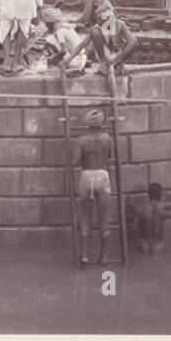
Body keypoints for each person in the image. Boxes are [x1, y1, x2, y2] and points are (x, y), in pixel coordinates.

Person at [72, 109, 114, 266]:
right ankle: (104, 256)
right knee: (104, 218)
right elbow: (110, 156)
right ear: (101, 123)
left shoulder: (82, 140)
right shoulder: (107, 138)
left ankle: (84, 254)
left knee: (85, 217)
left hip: (87, 175)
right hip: (103, 176)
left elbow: (75, 161)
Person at [87, 6, 137, 73]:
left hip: (116, 53)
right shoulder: (98, 27)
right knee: (96, 33)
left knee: (135, 41)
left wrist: (117, 58)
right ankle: (104, 63)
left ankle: (119, 64)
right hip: (105, 53)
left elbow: (132, 42)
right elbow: (83, 44)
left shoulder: (120, 24)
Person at [42, 6, 88, 73]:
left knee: (49, 40)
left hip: (77, 62)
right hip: (83, 58)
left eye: (46, 24)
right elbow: (81, 26)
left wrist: (52, 58)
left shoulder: (59, 31)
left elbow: (63, 51)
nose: (46, 26)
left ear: (51, 23)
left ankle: (60, 69)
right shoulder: (65, 25)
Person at [133, 181, 166, 255]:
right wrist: (166, 194)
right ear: (160, 194)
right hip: (158, 246)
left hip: (144, 245)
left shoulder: (140, 208)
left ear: (148, 194)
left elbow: (134, 228)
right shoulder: (163, 206)